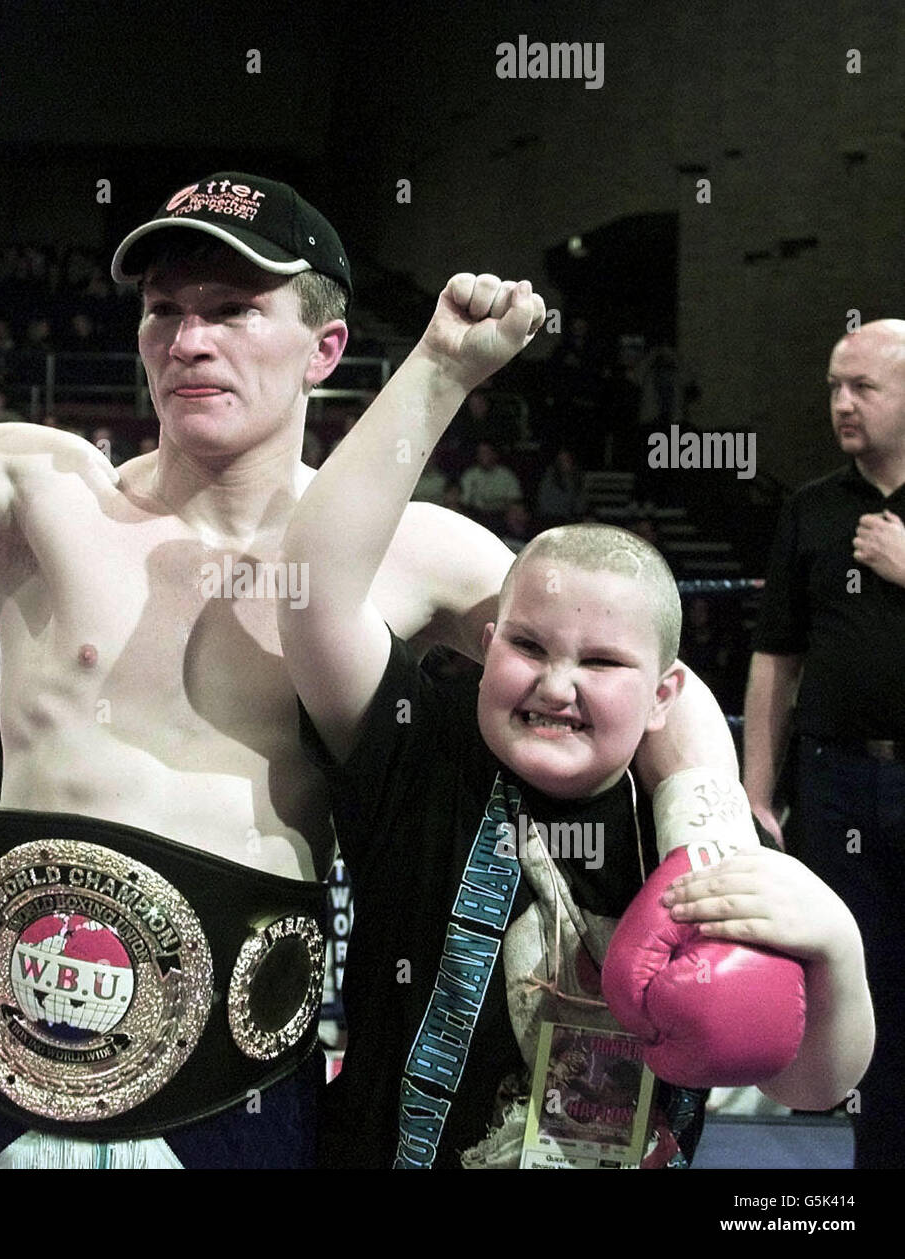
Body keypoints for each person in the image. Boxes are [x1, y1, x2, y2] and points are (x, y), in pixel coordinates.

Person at [0, 0, 748, 1170]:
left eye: (231, 311)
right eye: (164, 310)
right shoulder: (45, 492)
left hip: (230, 1077)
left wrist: (710, 849)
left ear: (322, 349)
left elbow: (639, 675)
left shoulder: (417, 554)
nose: (188, 339)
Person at [278, 274, 873, 1166]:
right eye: (528, 647)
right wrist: (441, 366)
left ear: (666, 693)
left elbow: (812, 1083)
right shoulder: (419, 749)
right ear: (484, 645)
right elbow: (315, 590)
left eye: (601, 663)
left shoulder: (705, 835)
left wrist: (837, 949)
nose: (558, 684)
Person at [744, 317, 905, 1169]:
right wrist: (755, 793)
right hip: (835, 781)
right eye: (835, 387)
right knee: (861, 989)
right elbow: (776, 658)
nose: (842, 403)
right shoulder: (810, 508)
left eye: (863, 387)